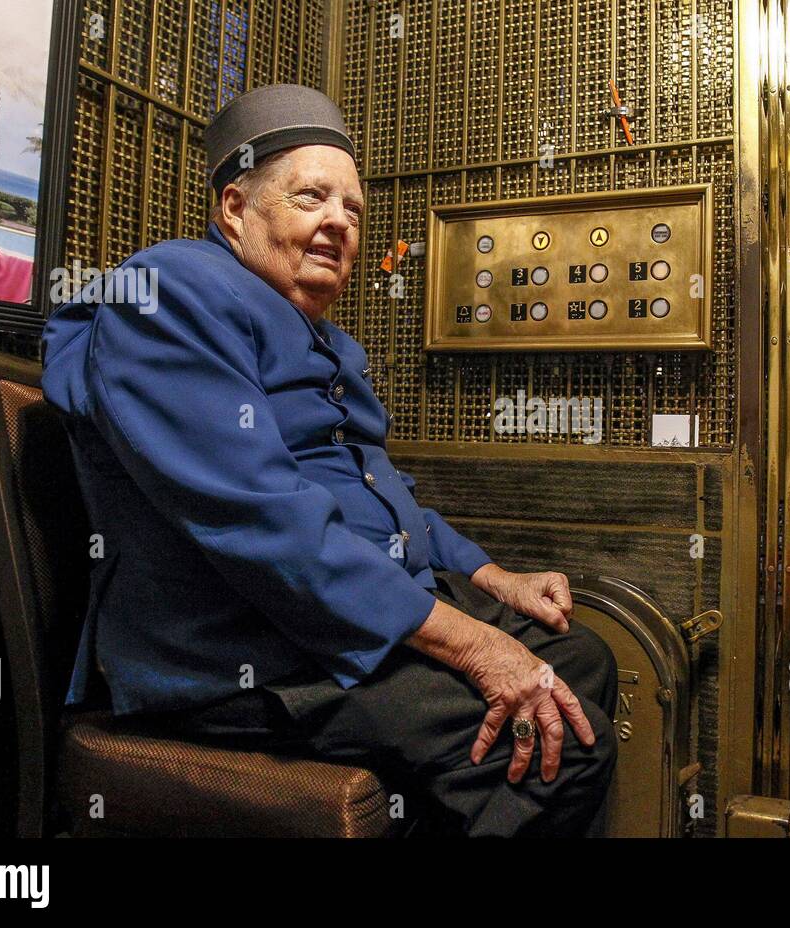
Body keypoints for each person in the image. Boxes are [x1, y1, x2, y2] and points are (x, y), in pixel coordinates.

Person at [41, 83, 617, 837]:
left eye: (352, 210)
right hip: (236, 651)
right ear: (234, 209)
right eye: (311, 197)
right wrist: (476, 644)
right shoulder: (169, 294)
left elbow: (380, 492)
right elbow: (262, 517)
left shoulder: (324, 339)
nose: (338, 224)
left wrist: (490, 578)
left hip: (327, 618)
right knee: (571, 744)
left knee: (584, 659)